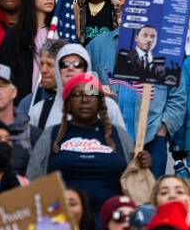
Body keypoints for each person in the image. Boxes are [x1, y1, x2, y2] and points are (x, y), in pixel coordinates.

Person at [28, 74, 138, 210]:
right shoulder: (51, 135)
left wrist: (141, 164)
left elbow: (134, 181)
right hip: (63, 219)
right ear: (67, 103)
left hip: (112, 220)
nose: (85, 99)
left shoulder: (119, 135)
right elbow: (33, 179)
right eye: (77, 94)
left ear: (100, 101)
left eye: (91, 93)